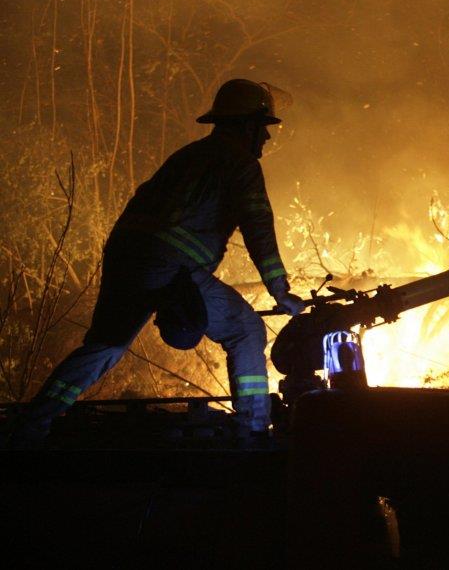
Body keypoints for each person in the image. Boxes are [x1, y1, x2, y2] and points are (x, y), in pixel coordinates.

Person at [15, 78, 305, 441]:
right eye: (263, 128)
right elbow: (258, 229)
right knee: (244, 329)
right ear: (247, 126)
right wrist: (280, 292)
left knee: (106, 344)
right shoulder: (240, 163)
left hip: (126, 258)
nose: (267, 138)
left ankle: (30, 425)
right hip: (170, 267)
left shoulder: (188, 155)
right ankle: (253, 433)